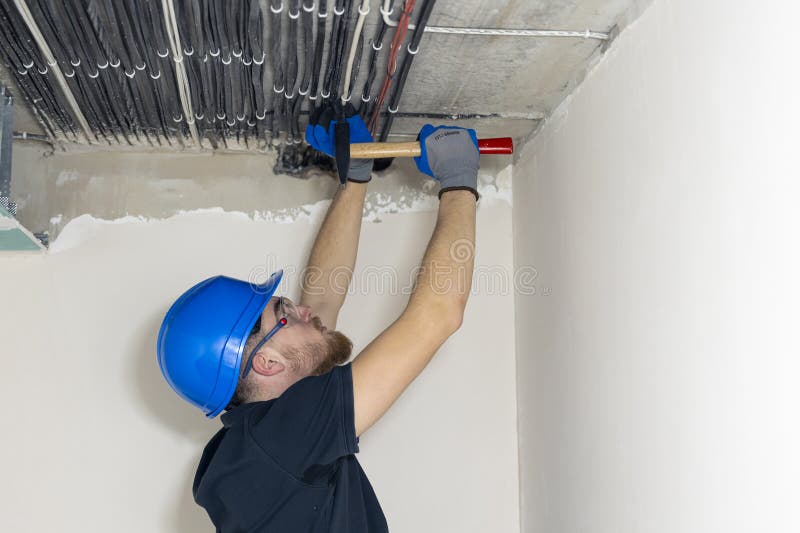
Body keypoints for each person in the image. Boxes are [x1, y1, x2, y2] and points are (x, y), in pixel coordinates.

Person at [157, 107, 480, 532]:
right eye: (285, 314)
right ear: (267, 363)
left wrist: (355, 178)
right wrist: (458, 182)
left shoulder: (258, 447)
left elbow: (322, 300)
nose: (303, 310)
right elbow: (437, 315)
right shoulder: (280, 441)